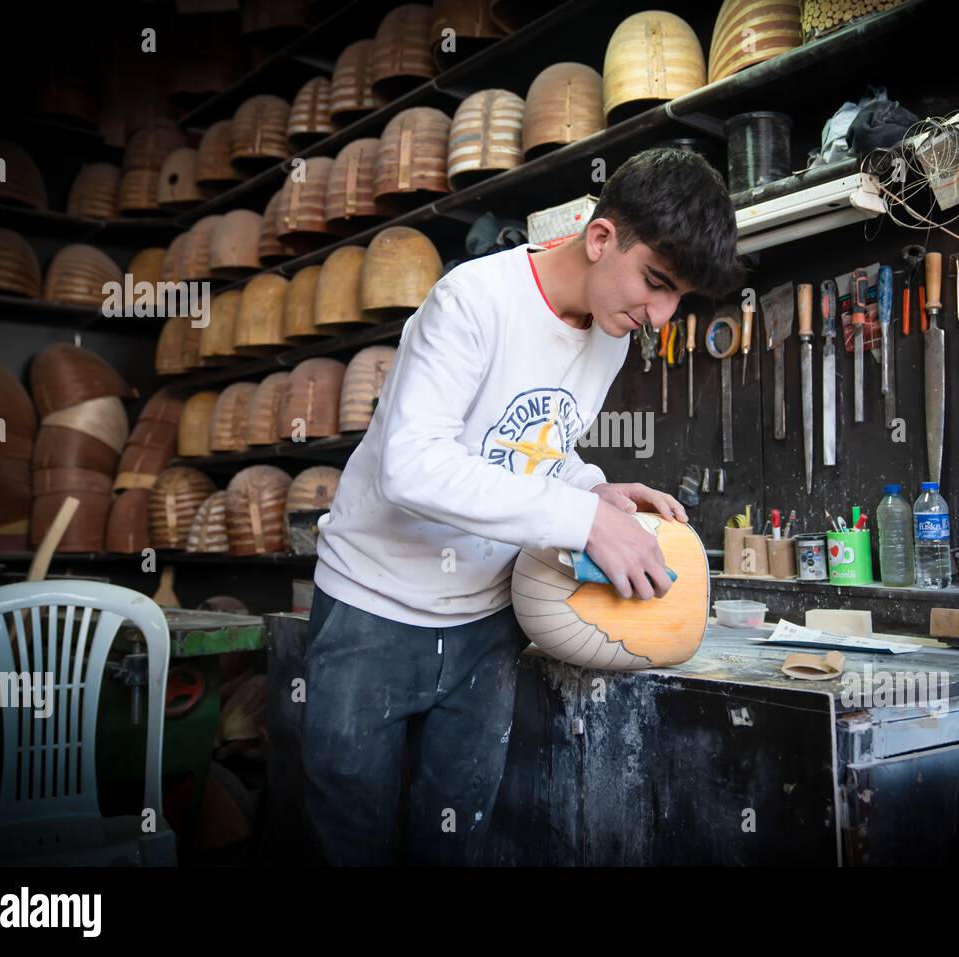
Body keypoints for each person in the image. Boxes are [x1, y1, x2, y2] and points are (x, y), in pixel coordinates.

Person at [303, 147, 742, 865]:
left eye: (678, 299)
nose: (660, 314)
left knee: (453, 844)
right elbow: (412, 466)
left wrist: (590, 488)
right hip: (371, 612)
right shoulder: (472, 302)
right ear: (600, 238)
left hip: (484, 624)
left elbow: (528, 444)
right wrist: (583, 521)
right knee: (348, 846)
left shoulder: (609, 336)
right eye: (656, 283)